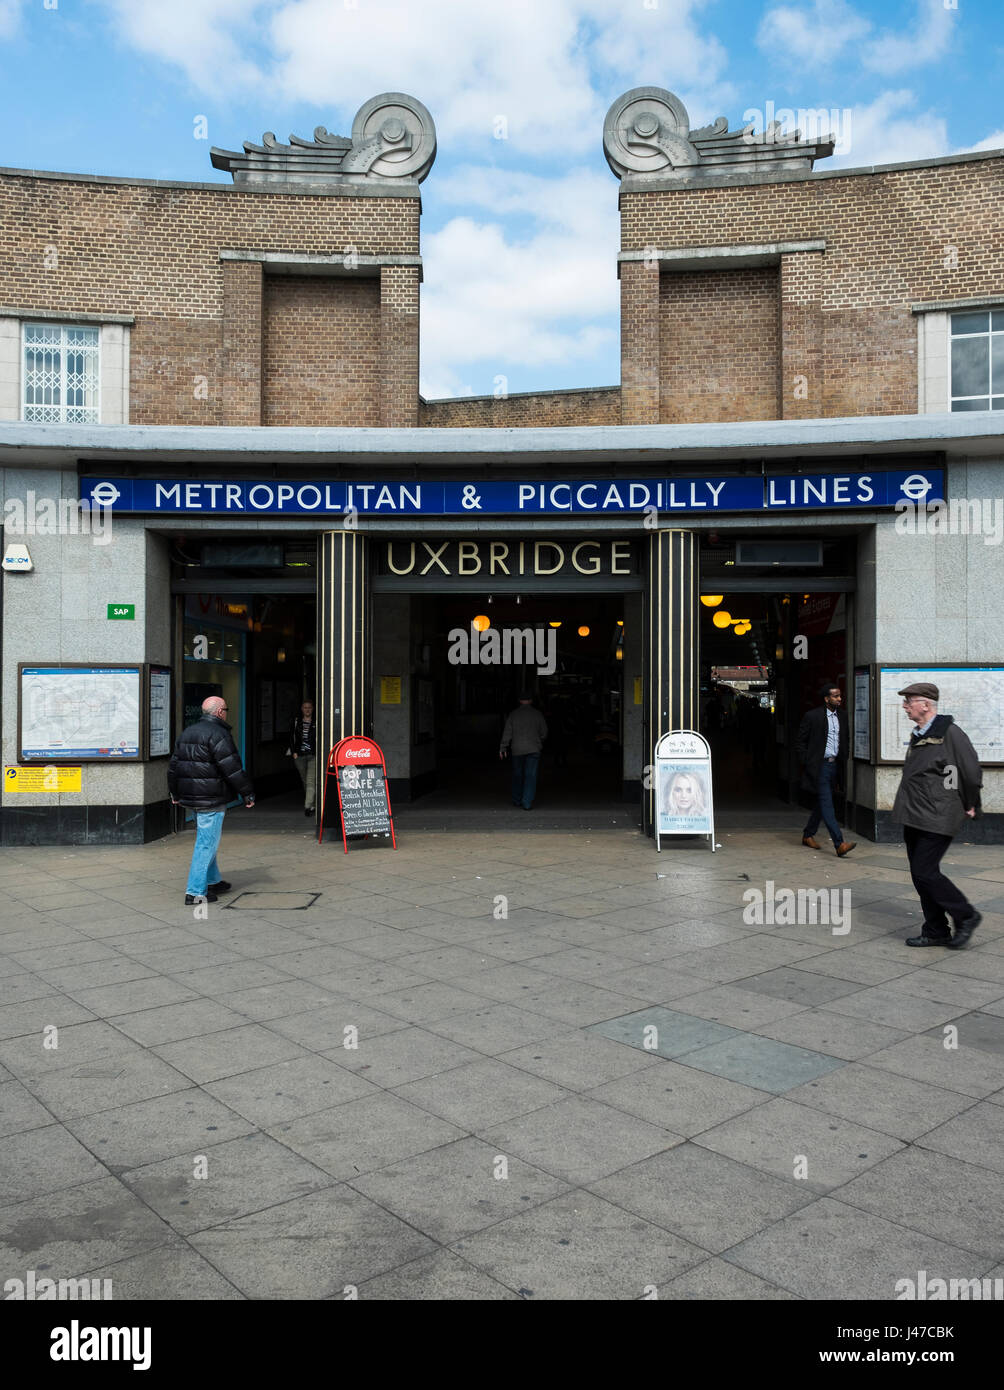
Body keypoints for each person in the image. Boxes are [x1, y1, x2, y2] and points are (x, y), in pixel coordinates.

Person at [892, 682, 982, 949]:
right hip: (915, 814)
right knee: (920, 874)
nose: (905, 706)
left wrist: (969, 802)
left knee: (925, 871)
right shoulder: (920, 733)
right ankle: (935, 930)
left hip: (938, 814)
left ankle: (966, 915)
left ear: (926, 704)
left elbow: (968, 771)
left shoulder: (950, 733)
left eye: (909, 701)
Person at [168, 695, 255, 905]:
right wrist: (247, 793)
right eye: (226, 709)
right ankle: (196, 891)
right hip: (211, 799)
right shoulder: (219, 734)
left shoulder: (188, 731)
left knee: (208, 840)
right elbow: (232, 768)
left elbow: (173, 766)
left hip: (193, 798)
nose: (227, 712)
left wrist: (175, 794)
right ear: (218, 712)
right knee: (206, 844)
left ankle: (213, 880)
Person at [797, 681, 855, 857]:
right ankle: (839, 843)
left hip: (835, 765)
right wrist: (808, 762)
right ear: (826, 698)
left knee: (822, 803)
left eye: (839, 695)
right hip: (820, 766)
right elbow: (800, 742)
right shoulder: (812, 716)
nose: (840, 698)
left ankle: (808, 835)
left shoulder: (843, 716)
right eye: (835, 696)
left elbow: (846, 739)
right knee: (827, 804)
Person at [499, 692, 548, 810]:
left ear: (519, 701)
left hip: (517, 749)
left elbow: (507, 732)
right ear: (531, 701)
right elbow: (544, 732)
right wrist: (538, 741)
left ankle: (517, 800)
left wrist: (503, 747)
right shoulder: (538, 714)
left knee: (517, 775)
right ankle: (527, 803)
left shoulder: (513, 715)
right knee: (530, 776)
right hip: (533, 749)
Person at [286, 698, 317, 815]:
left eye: (309, 707)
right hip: (299, 756)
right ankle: (313, 803)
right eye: (305, 707)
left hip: (313, 755)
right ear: (302, 709)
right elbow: (291, 738)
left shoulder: (316, 722)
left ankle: (308, 806)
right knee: (305, 781)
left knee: (310, 781)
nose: (307, 710)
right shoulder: (296, 722)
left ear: (312, 709)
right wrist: (294, 752)